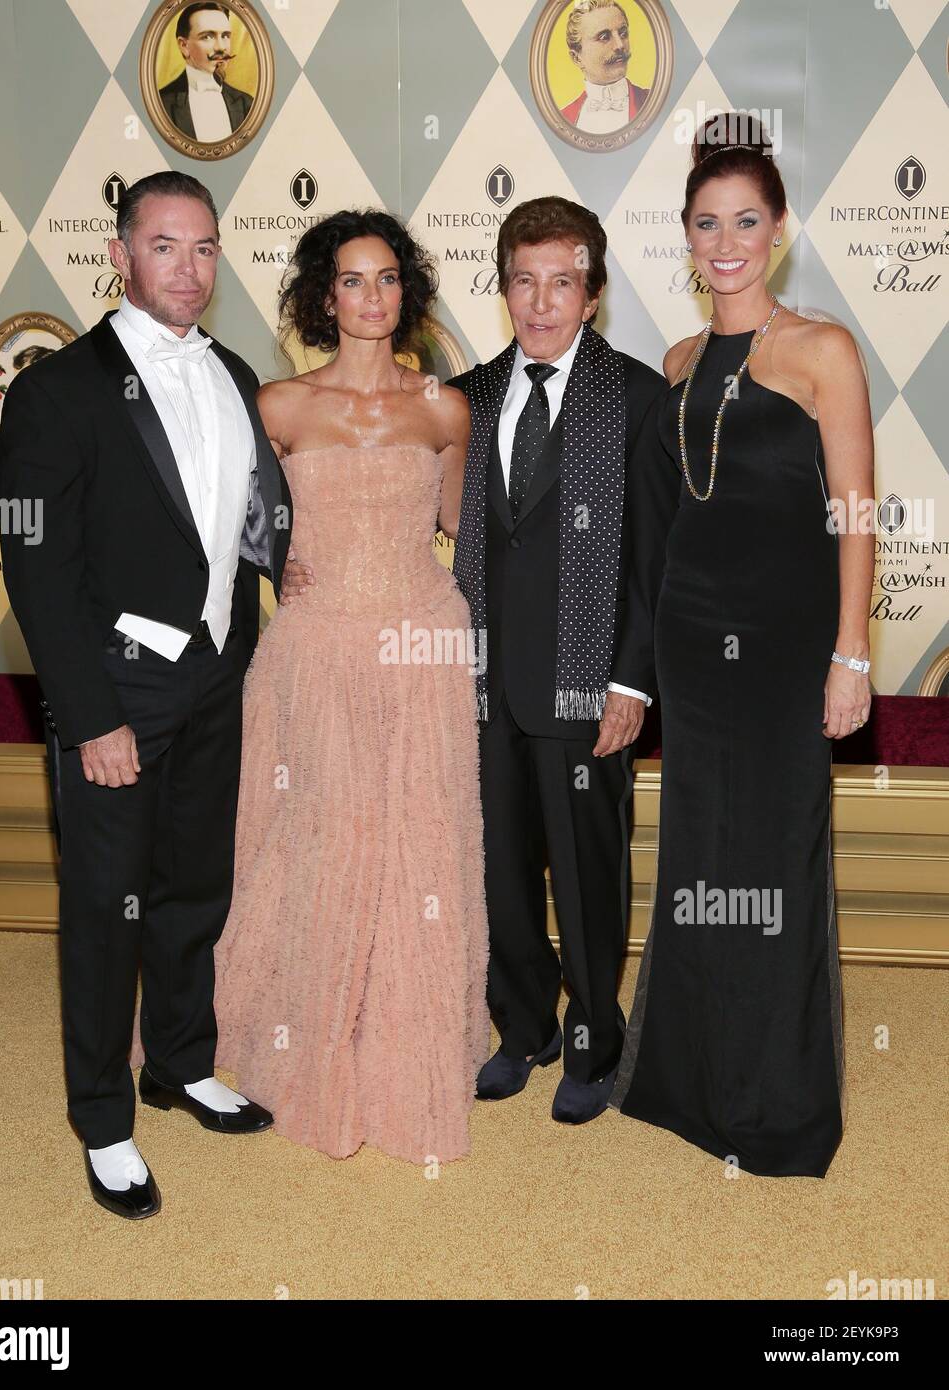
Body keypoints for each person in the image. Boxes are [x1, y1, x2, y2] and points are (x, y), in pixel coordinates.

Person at [0, 170, 291, 1220]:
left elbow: (247, 532)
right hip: (115, 693)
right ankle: (103, 1120)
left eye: (205, 247)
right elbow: (36, 567)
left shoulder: (234, 371)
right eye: (165, 246)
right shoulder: (55, 389)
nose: (189, 268)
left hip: (215, 678)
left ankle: (179, 1060)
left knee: (190, 889)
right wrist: (88, 716)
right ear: (121, 255)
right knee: (103, 908)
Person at [609, 115, 875, 1178]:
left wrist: (849, 652)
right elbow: (671, 521)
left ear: (775, 231)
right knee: (699, 855)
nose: (725, 240)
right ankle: (688, 1077)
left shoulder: (820, 349)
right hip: (690, 640)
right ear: (684, 234)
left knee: (775, 854)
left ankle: (772, 1100)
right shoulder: (677, 360)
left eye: (745, 220)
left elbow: (855, 512)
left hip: (783, 642)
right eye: (706, 221)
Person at [210, 209, 490, 1164]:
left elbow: (463, 527)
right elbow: (230, 530)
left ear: (404, 291)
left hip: (423, 649)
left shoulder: (445, 409)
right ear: (322, 297)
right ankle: (305, 1038)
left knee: (418, 845)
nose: (370, 297)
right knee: (318, 841)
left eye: (386, 279)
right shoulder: (279, 407)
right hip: (318, 654)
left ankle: (406, 1040)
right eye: (351, 280)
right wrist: (274, 565)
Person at [448, 195, 668, 1125]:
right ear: (503, 287)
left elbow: (657, 559)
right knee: (498, 871)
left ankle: (592, 1041)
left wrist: (630, 679)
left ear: (594, 291)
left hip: (587, 682)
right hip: (483, 682)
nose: (542, 303)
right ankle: (522, 1025)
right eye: (525, 282)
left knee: (584, 875)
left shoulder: (638, 396)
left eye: (563, 282)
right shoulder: (466, 395)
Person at [159, 3, 253, 142]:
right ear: (184, 46)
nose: (221, 47)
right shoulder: (161, 105)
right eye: (207, 37)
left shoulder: (246, 104)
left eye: (225, 36)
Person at [561, 0, 649, 133]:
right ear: (577, 58)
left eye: (623, 33)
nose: (620, 45)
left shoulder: (653, 102)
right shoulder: (563, 120)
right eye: (604, 37)